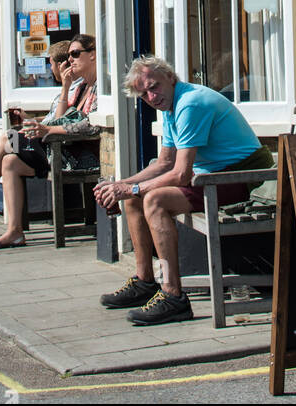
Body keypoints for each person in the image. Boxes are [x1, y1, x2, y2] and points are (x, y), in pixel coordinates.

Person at [94, 55, 274, 326]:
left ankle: (173, 296)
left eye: (153, 87)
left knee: (154, 200)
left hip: (246, 180)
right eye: (143, 94)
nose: (151, 97)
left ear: (170, 77)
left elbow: (180, 174)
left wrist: (131, 187)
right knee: (133, 199)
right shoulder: (169, 106)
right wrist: (121, 186)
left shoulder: (190, 104)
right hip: (214, 178)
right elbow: (165, 162)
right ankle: (145, 281)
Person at [0, 37, 98, 249]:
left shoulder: (99, 87)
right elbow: (60, 119)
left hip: (75, 155)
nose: (70, 60)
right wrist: (63, 90)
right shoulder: (79, 87)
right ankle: (14, 232)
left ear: (93, 54)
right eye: (69, 55)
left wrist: (48, 129)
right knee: (9, 162)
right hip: (57, 147)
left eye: (75, 54)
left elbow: (90, 125)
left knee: (9, 137)